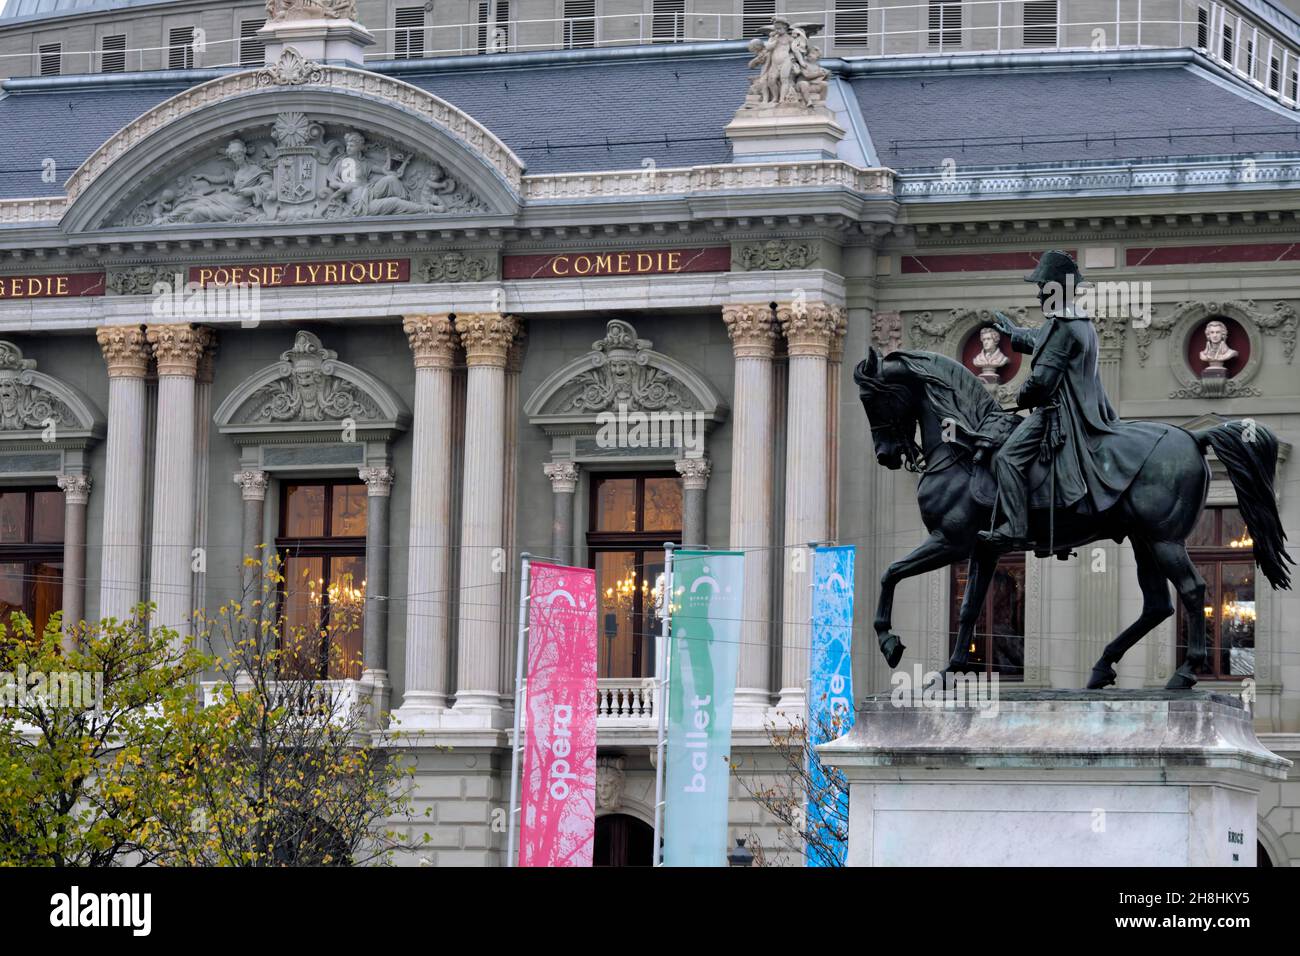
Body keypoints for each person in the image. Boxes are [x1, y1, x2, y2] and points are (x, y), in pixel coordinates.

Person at [978, 251, 1114, 551]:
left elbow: (1042, 380)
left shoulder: (1061, 323)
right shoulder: (1078, 320)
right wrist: (1014, 333)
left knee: (1007, 458)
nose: (1039, 294)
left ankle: (1015, 526)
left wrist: (1021, 396)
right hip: (1083, 408)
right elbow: (1044, 339)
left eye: (1042, 287)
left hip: (1060, 413)